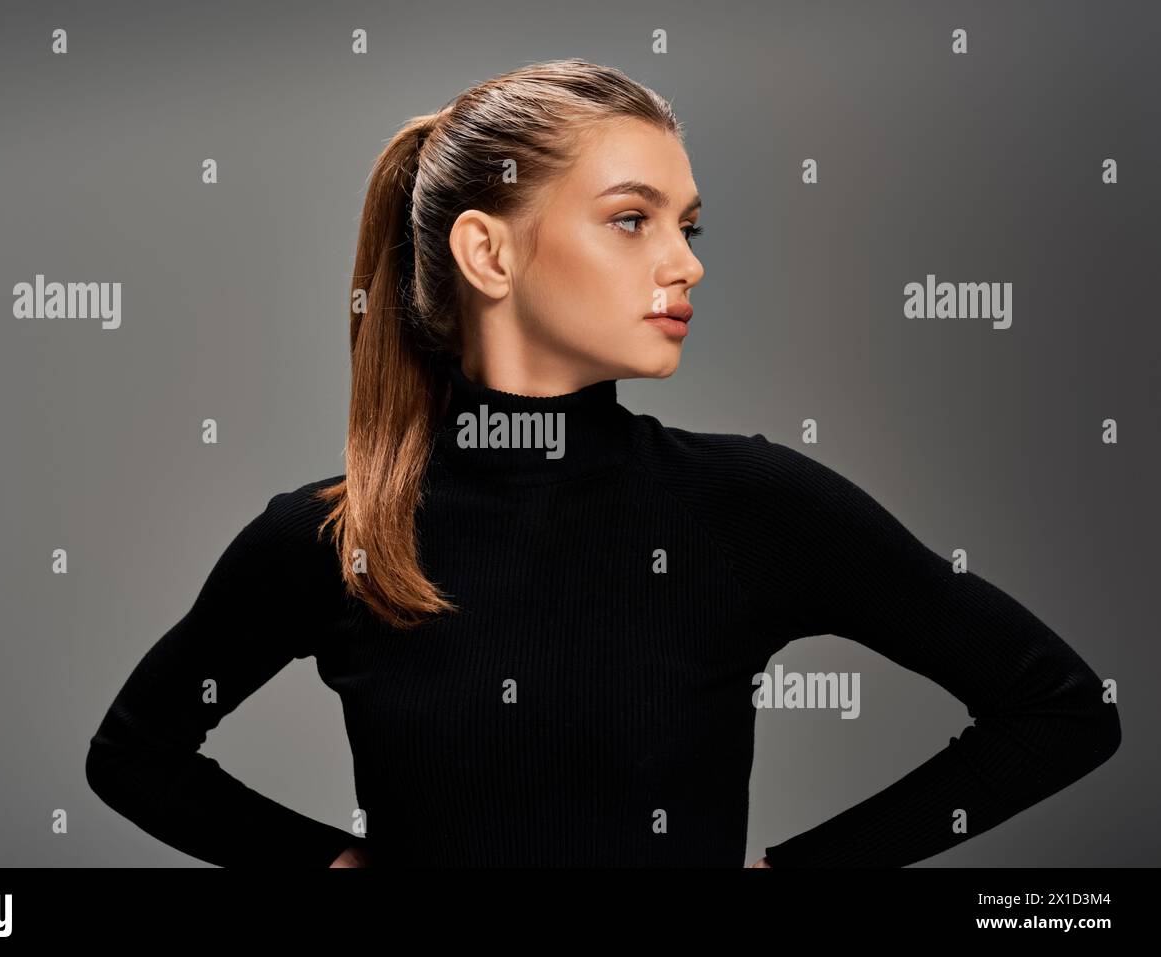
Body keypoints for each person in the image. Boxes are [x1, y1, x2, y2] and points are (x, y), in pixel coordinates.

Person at [84, 58, 1121, 868]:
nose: (687, 261)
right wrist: (334, 864)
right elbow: (134, 757)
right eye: (632, 220)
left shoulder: (750, 503)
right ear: (488, 254)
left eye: (687, 224)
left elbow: (1060, 711)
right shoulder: (335, 538)